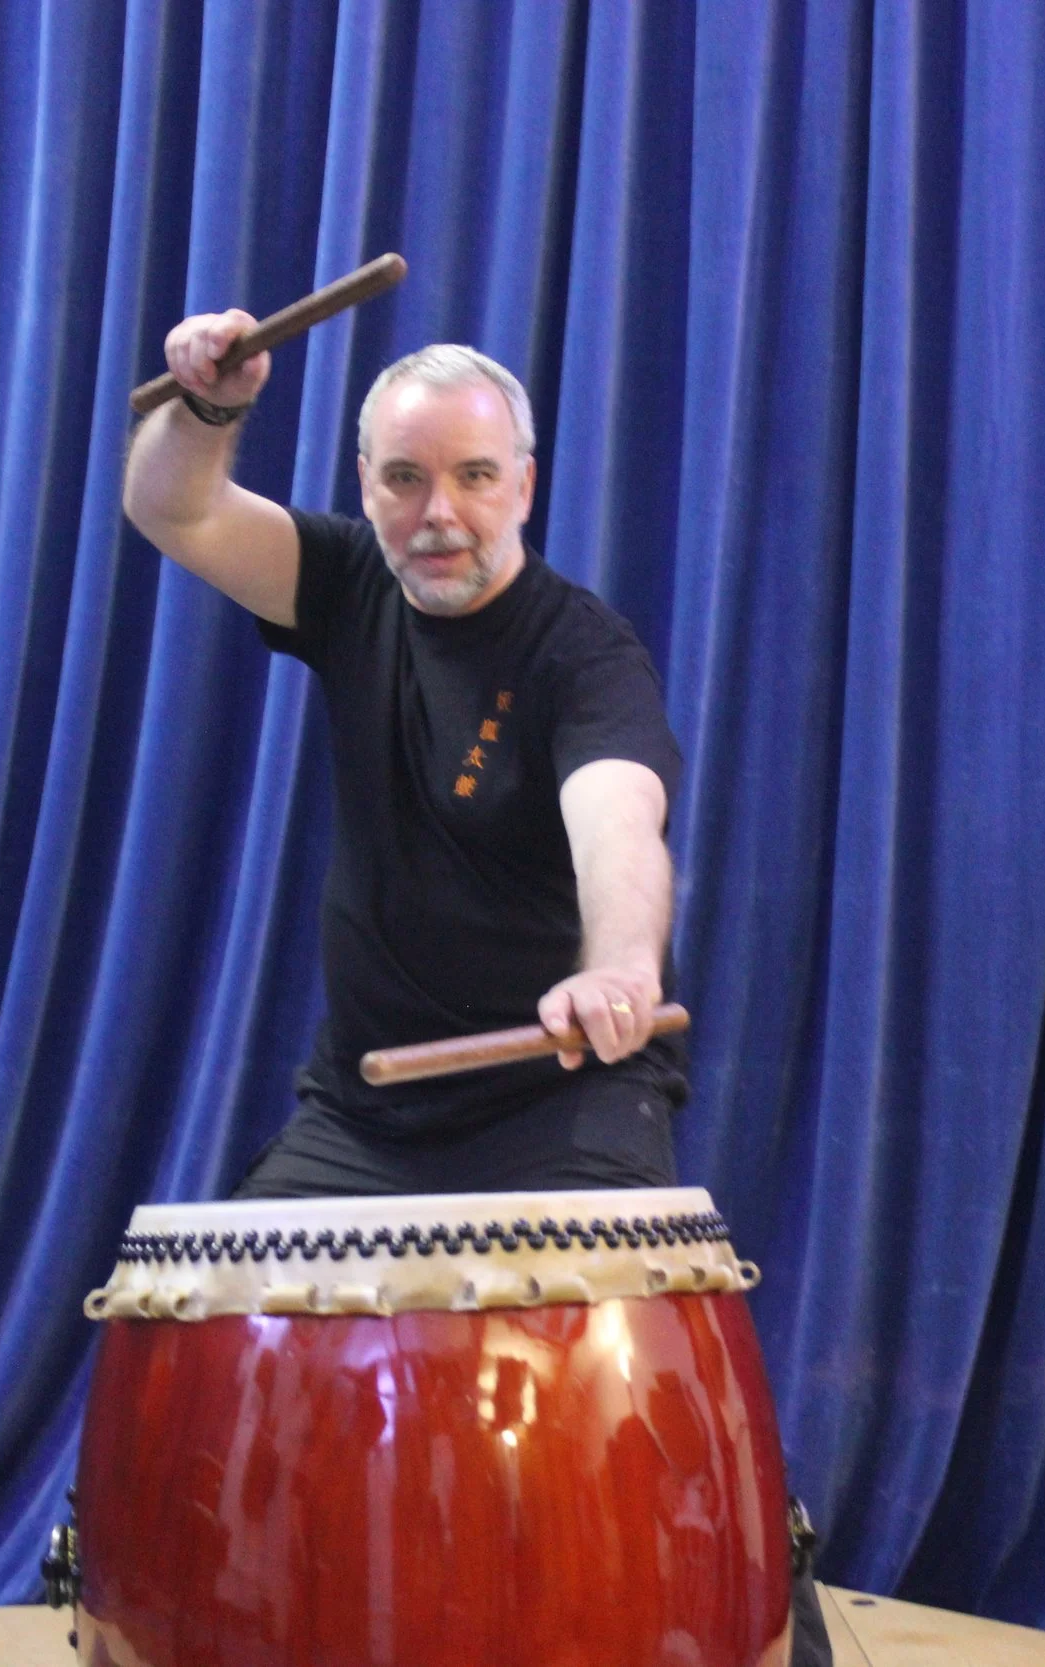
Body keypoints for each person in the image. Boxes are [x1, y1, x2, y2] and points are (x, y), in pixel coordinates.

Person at [122, 311, 690, 1199]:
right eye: (404, 478)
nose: (439, 514)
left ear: (523, 487)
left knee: (564, 1329)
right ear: (366, 485)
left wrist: (619, 967)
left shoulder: (583, 656)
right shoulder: (350, 584)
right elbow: (173, 509)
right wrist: (204, 410)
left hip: (565, 1093)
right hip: (368, 1107)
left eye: (474, 477)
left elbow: (619, 827)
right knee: (222, 1316)